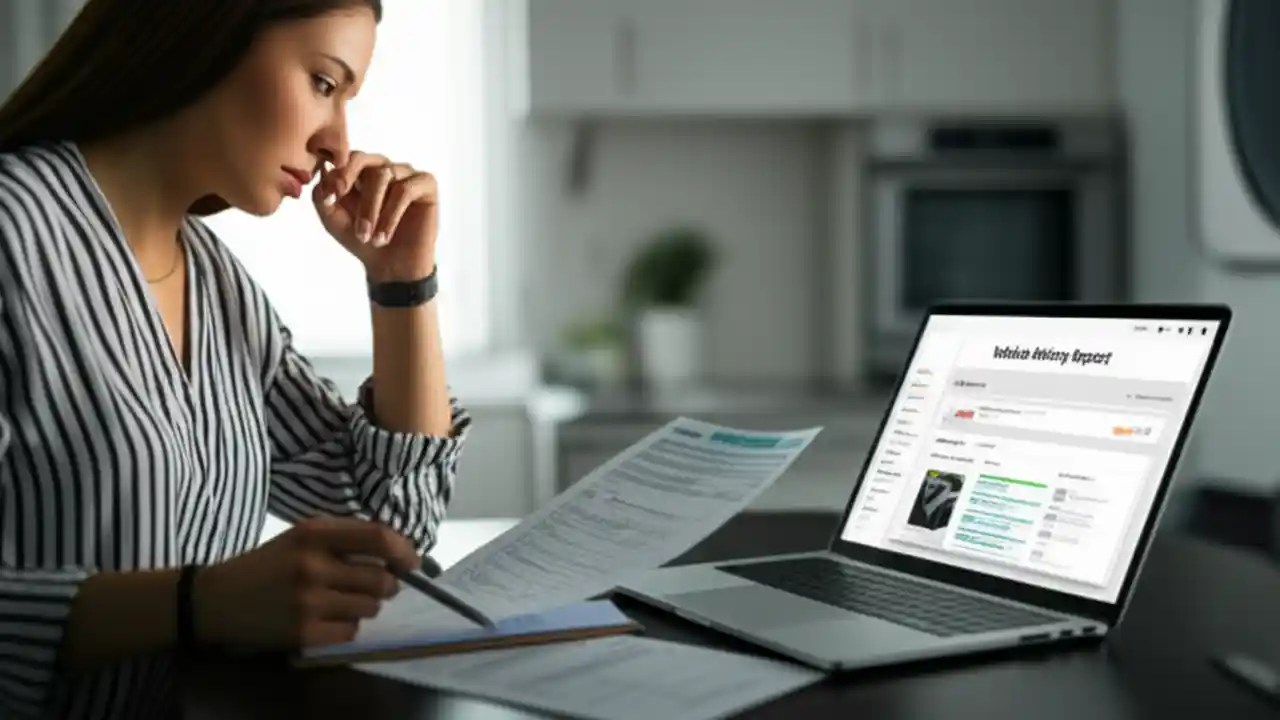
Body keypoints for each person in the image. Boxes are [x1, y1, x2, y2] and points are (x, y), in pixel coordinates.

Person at [0, 0, 473, 716]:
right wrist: (198, 602)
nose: (338, 146)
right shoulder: (13, 235)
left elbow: (389, 532)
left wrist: (402, 284)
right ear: (208, 33)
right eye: (323, 83)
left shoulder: (218, 286)